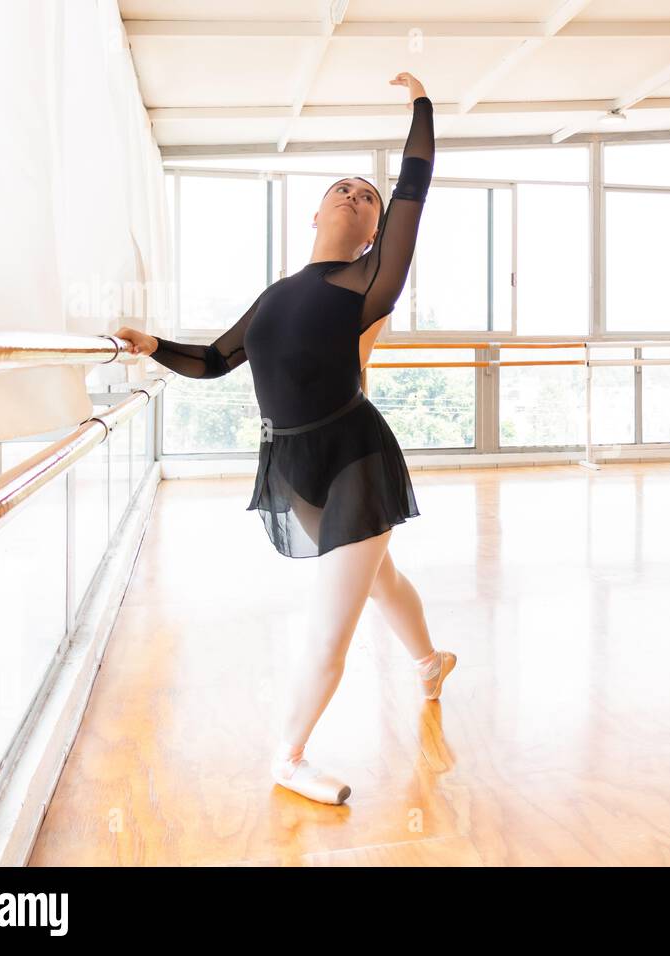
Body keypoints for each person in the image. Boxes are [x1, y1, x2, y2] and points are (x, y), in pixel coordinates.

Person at [116, 72, 456, 806]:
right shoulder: (274, 297)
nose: (355, 195)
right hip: (291, 465)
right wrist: (149, 345)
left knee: (329, 623)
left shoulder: (369, 280)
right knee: (378, 579)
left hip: (355, 458)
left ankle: (290, 755)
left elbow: (416, 187)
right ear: (315, 212)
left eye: (368, 195)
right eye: (342, 186)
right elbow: (210, 361)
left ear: (374, 230)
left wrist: (422, 106)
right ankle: (430, 663)